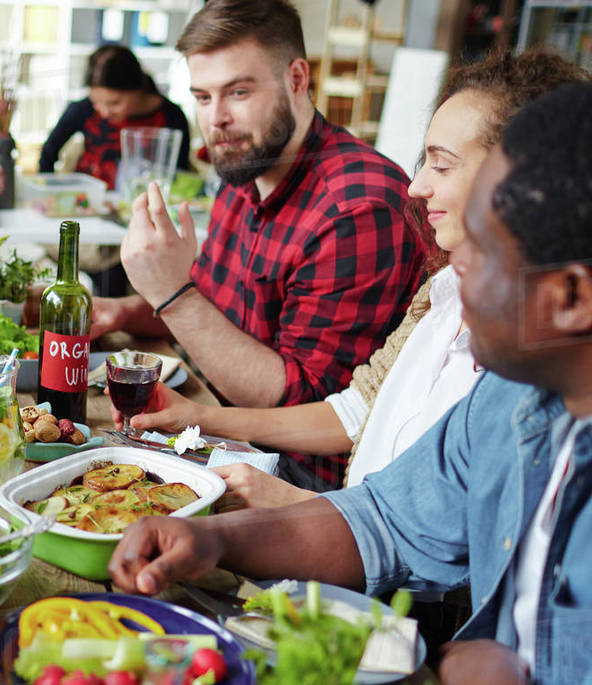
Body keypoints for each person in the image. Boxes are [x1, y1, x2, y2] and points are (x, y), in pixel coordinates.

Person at [109, 82, 592, 685]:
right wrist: (212, 539)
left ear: (572, 297)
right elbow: (386, 519)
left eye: (484, 249)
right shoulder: (512, 399)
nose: (453, 265)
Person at [112, 50, 589, 512]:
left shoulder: (527, 346)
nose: (416, 187)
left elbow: (448, 536)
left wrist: (300, 504)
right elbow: (357, 408)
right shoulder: (441, 289)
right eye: (202, 96)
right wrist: (200, 417)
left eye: (442, 166)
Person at [91, 0, 426, 490]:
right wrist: (120, 312)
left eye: (238, 92)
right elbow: (211, 312)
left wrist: (170, 295)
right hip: (219, 429)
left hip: (301, 481)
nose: (216, 119)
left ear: (297, 79)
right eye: (203, 97)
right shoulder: (245, 169)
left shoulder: (357, 207)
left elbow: (302, 404)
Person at [38, 44, 191, 191]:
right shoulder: (82, 109)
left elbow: (179, 174)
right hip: (86, 198)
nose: (104, 112)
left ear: (138, 90)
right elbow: (49, 152)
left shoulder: (172, 117)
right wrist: (48, 191)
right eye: (96, 102)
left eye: (114, 103)